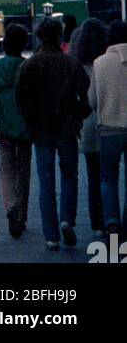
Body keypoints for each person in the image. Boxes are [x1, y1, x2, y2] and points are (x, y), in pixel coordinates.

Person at [16, 16, 91, 251]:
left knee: (45, 183)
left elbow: (20, 101)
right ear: (60, 36)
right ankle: (67, 220)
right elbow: (86, 98)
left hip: (41, 132)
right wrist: (78, 115)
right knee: (69, 177)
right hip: (67, 129)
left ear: (39, 37)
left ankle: (51, 236)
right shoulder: (72, 64)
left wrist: (31, 120)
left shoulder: (29, 65)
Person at [0, 23, 31, 238]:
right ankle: (21, 215)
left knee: (6, 169)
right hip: (25, 128)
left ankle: (10, 206)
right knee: (24, 171)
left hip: (3, 129)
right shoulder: (27, 67)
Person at [70, 17, 109, 239]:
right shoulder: (105, 63)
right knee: (109, 176)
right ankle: (111, 216)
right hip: (109, 123)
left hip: (88, 126)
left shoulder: (78, 66)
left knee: (93, 177)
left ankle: (97, 223)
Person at [88, 19, 127, 237]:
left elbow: (92, 100)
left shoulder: (100, 63)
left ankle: (111, 221)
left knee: (108, 177)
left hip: (110, 127)